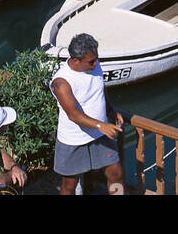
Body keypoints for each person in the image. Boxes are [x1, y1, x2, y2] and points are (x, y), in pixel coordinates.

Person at [51, 33, 125, 196]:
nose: (96, 63)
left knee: (116, 174)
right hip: (74, 140)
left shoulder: (94, 65)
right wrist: (101, 125)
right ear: (76, 60)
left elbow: (100, 88)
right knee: (69, 184)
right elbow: (73, 114)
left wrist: (111, 110)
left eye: (96, 59)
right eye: (91, 61)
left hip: (100, 134)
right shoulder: (61, 82)